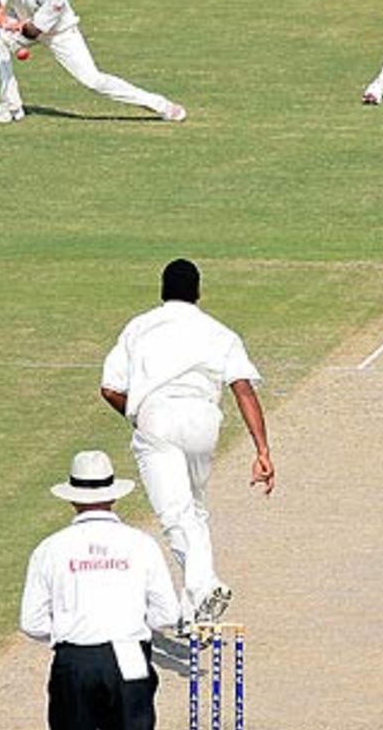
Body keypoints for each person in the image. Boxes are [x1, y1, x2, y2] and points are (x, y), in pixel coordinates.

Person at [100, 259, 275, 627]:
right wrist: (262, 451)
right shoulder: (220, 332)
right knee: (194, 512)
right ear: (198, 292)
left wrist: (138, 417)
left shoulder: (139, 326)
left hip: (157, 419)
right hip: (203, 422)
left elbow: (110, 388)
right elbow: (243, 389)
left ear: (162, 290)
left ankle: (205, 586)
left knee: (174, 515)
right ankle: (192, 611)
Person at [21, 449, 180, 730]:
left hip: (74, 661)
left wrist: (72, 630)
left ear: (72, 499)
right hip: (129, 656)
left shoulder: (50, 548)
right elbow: (166, 615)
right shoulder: (141, 544)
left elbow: (32, 622)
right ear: (113, 496)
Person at [0, 0, 187, 124]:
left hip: (60, 33)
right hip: (22, 24)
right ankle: (10, 105)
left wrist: (12, 24)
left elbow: (33, 31)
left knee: (93, 81)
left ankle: (162, 106)